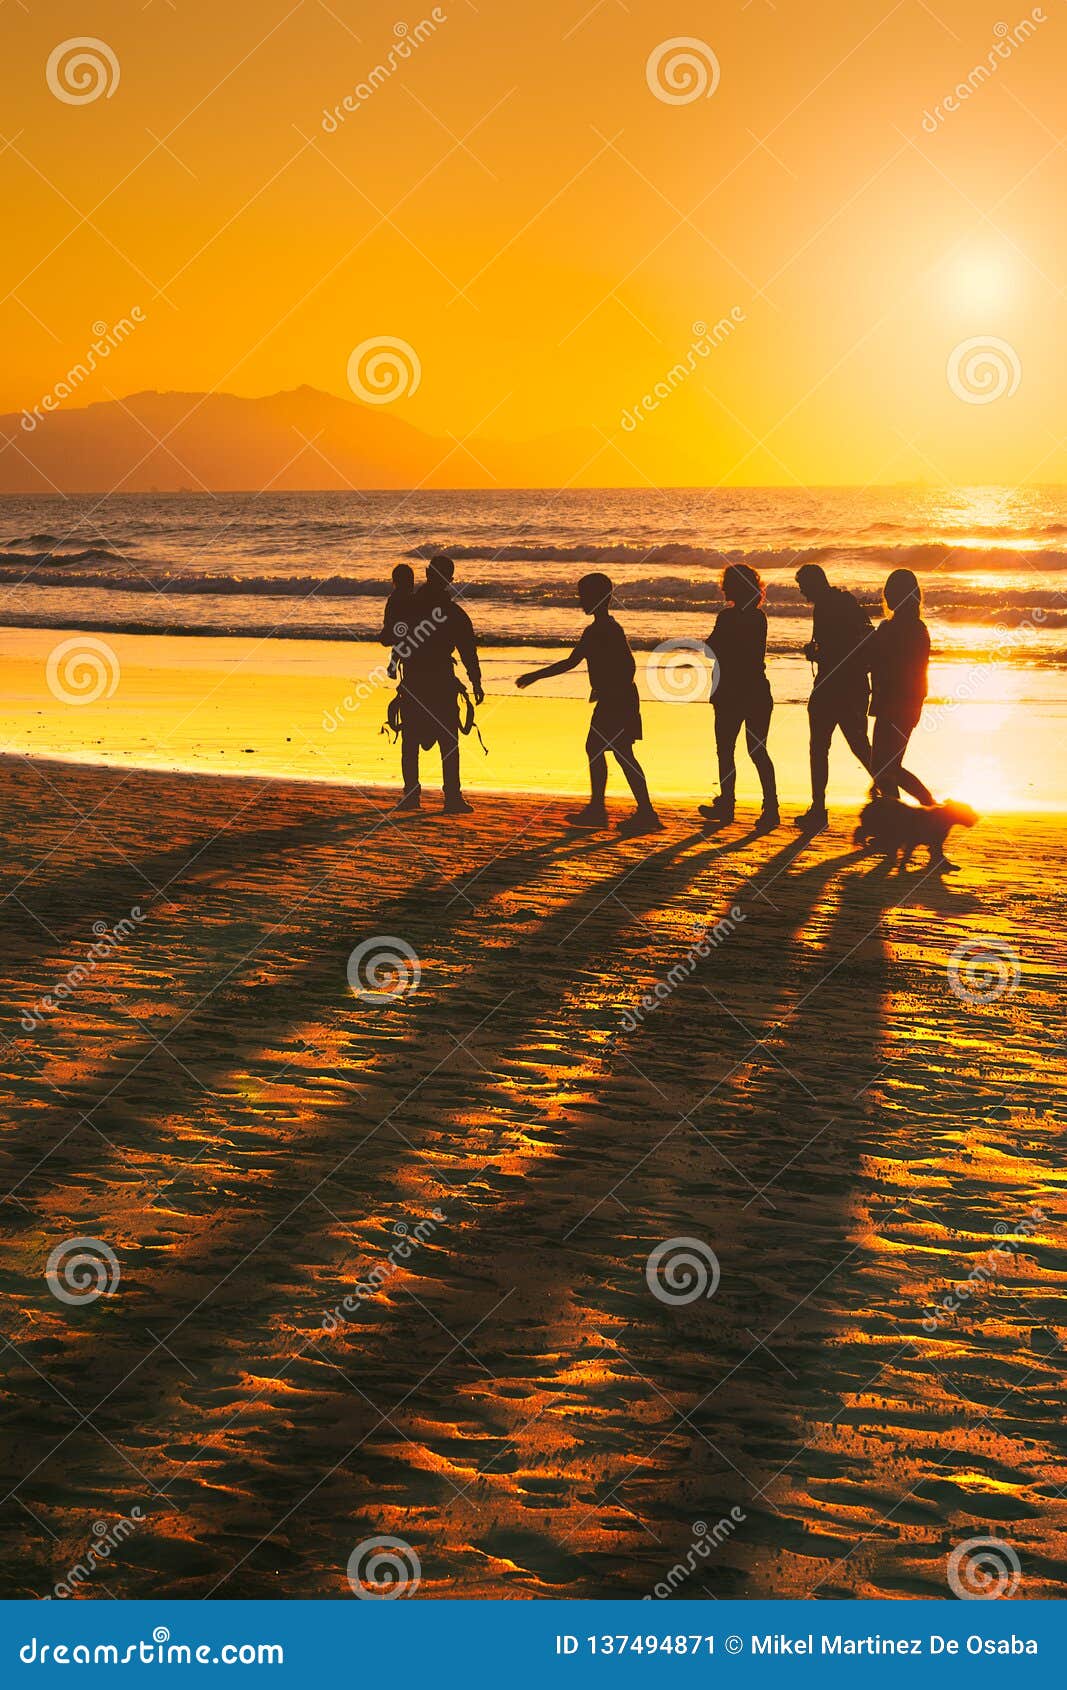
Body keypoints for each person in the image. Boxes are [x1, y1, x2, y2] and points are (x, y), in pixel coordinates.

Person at [516, 572, 661, 834]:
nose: (580, 601)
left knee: (613, 751)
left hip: (616, 700)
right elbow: (622, 665)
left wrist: (534, 675)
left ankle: (621, 811)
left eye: (584, 596)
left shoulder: (601, 630)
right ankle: (611, 809)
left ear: (598, 598)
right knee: (609, 751)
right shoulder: (607, 627)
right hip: (617, 698)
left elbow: (578, 663)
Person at [392, 554, 483, 815]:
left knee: (411, 741)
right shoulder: (453, 613)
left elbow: (391, 637)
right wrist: (475, 681)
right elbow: (468, 650)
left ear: (428, 574)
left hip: (417, 679)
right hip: (440, 681)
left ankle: (412, 795)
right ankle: (451, 797)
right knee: (447, 741)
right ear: (449, 581)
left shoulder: (408, 607)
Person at [698, 563, 778, 832]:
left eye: (727, 584)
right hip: (756, 689)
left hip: (730, 690)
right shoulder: (759, 617)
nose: (723, 588)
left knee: (726, 750)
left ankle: (727, 804)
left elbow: (710, 650)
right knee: (757, 751)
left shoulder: (727, 618)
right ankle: (771, 807)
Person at [794, 562, 874, 833]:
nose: (803, 594)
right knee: (859, 746)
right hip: (854, 686)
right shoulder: (845, 601)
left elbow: (836, 651)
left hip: (833, 686)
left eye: (804, 588)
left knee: (820, 748)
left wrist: (814, 654)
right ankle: (890, 796)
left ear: (815, 584)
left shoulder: (826, 607)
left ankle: (819, 810)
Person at [869, 568, 934, 805]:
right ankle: (898, 813)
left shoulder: (895, 628)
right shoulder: (917, 628)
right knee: (886, 767)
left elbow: (880, 661)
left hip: (894, 705)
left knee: (885, 767)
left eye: (892, 591)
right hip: (906, 705)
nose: (887, 595)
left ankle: (928, 806)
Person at [380, 563, 416, 679]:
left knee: (399, 642)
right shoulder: (410, 599)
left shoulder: (393, 599)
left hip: (397, 633)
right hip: (406, 637)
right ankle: (393, 664)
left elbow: (387, 620)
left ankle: (393, 664)